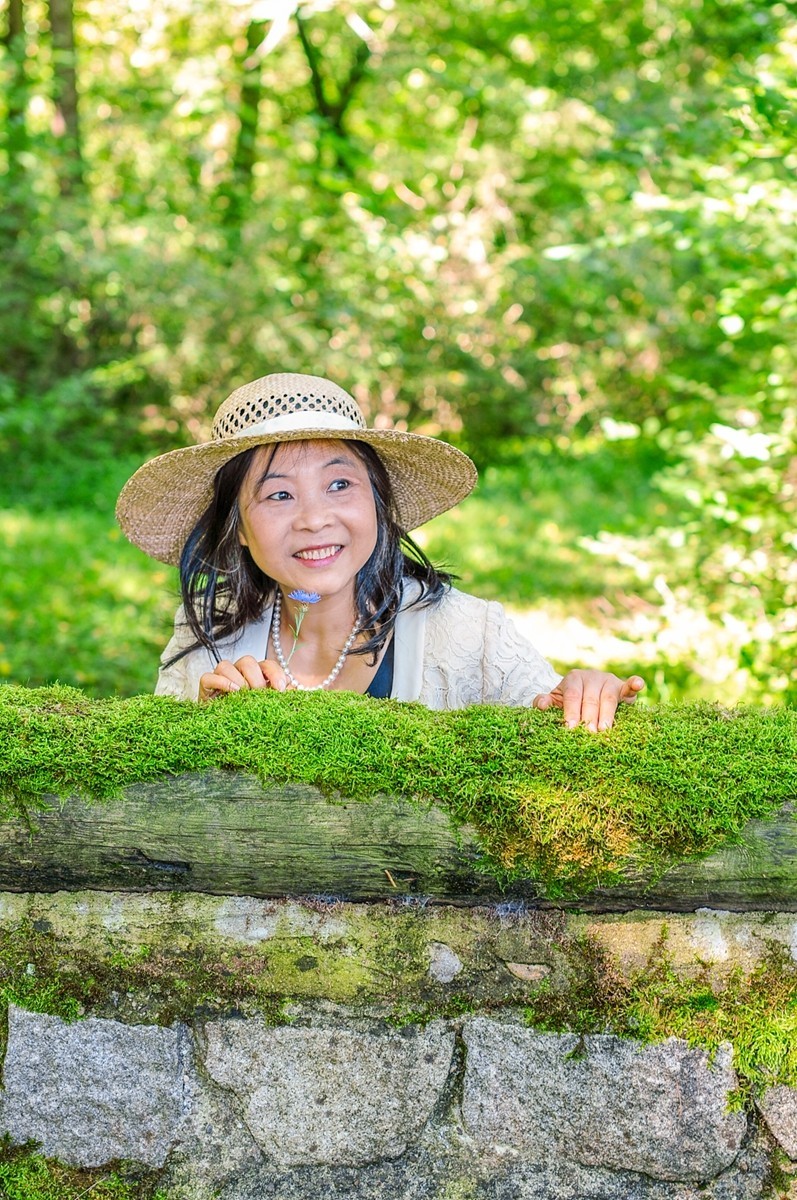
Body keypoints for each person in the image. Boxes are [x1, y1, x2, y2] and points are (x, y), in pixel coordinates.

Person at [116, 372, 644, 729]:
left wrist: (583, 690)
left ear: (377, 502)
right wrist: (207, 728)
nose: (315, 518)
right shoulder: (209, 632)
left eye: (340, 485)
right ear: (240, 530)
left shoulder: (468, 635)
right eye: (278, 494)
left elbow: (549, 709)